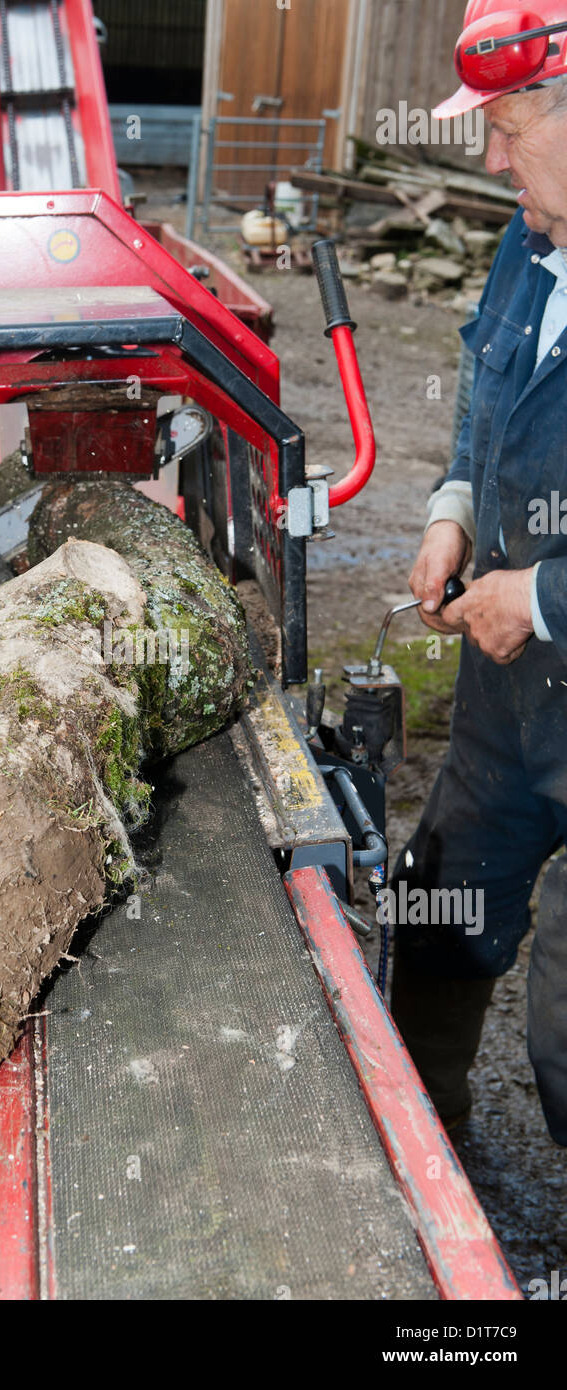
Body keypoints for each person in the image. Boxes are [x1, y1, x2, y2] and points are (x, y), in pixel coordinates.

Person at [390, 0, 567, 1143]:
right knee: (436, 900)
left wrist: (544, 599)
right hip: (511, 704)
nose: (490, 156)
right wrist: (456, 510)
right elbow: (483, 403)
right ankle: (425, 1172)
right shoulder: (526, 243)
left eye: (510, 125)